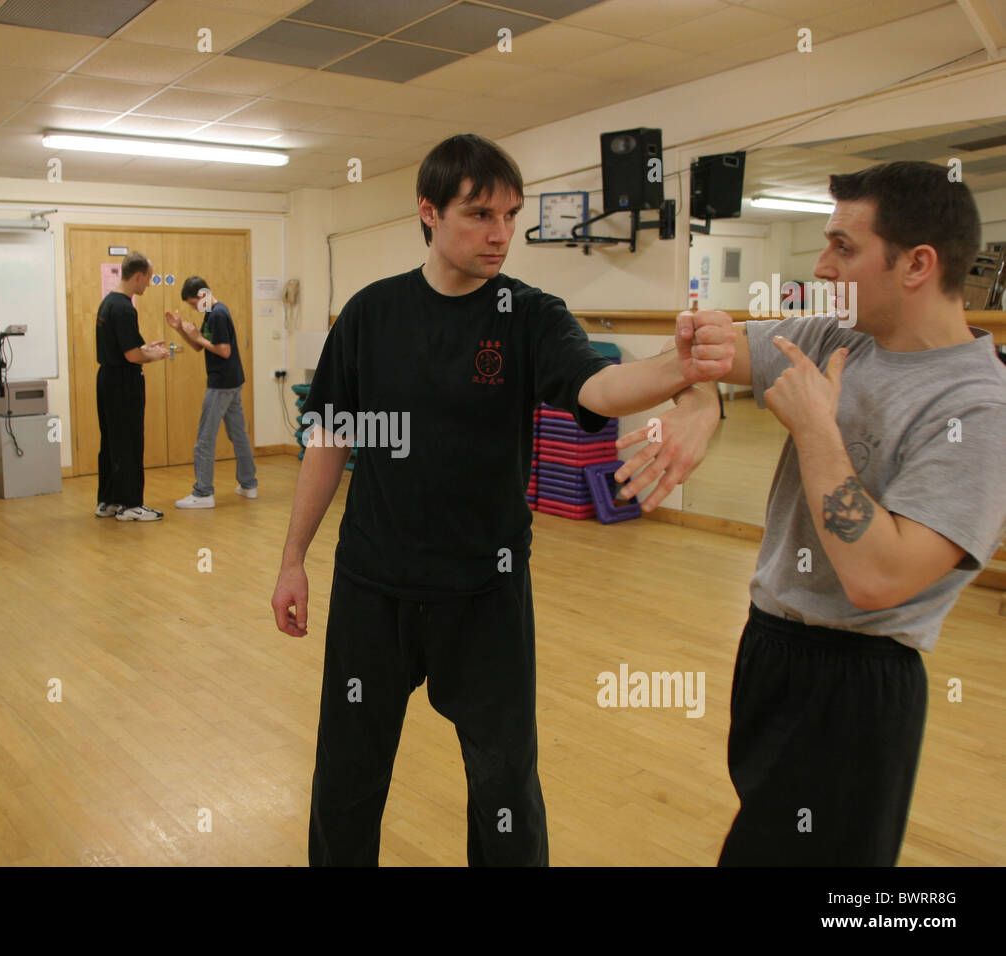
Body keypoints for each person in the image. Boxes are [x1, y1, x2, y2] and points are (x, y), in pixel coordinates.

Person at [270, 133, 735, 866]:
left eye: (511, 216)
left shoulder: (531, 316)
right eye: (480, 215)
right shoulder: (371, 314)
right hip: (372, 588)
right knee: (347, 779)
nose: (500, 235)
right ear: (429, 212)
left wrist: (681, 367)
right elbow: (329, 439)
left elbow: (599, 389)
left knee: (505, 788)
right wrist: (293, 558)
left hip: (485, 594)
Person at [709, 160, 1006, 865]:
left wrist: (816, 428)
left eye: (844, 246)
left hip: (859, 678)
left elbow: (879, 579)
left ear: (917, 264)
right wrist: (698, 407)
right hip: (771, 646)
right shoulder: (832, 336)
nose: (820, 264)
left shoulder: (978, 410)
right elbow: (699, 349)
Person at [164, 277, 257, 508]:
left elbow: (223, 351)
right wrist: (181, 331)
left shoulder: (217, 314)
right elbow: (199, 345)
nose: (195, 308)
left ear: (204, 294)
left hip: (222, 384)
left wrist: (197, 337)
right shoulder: (212, 313)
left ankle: (203, 493)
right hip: (232, 381)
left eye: (194, 303)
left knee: (205, 438)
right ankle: (248, 484)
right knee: (238, 434)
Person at [94, 253, 170, 521]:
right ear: (138, 276)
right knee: (129, 440)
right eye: (148, 278)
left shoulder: (108, 303)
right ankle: (131, 504)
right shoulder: (125, 307)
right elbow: (132, 356)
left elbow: (126, 348)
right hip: (123, 383)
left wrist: (145, 349)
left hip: (107, 379)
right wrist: (154, 355)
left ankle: (109, 500)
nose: (148, 284)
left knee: (112, 440)